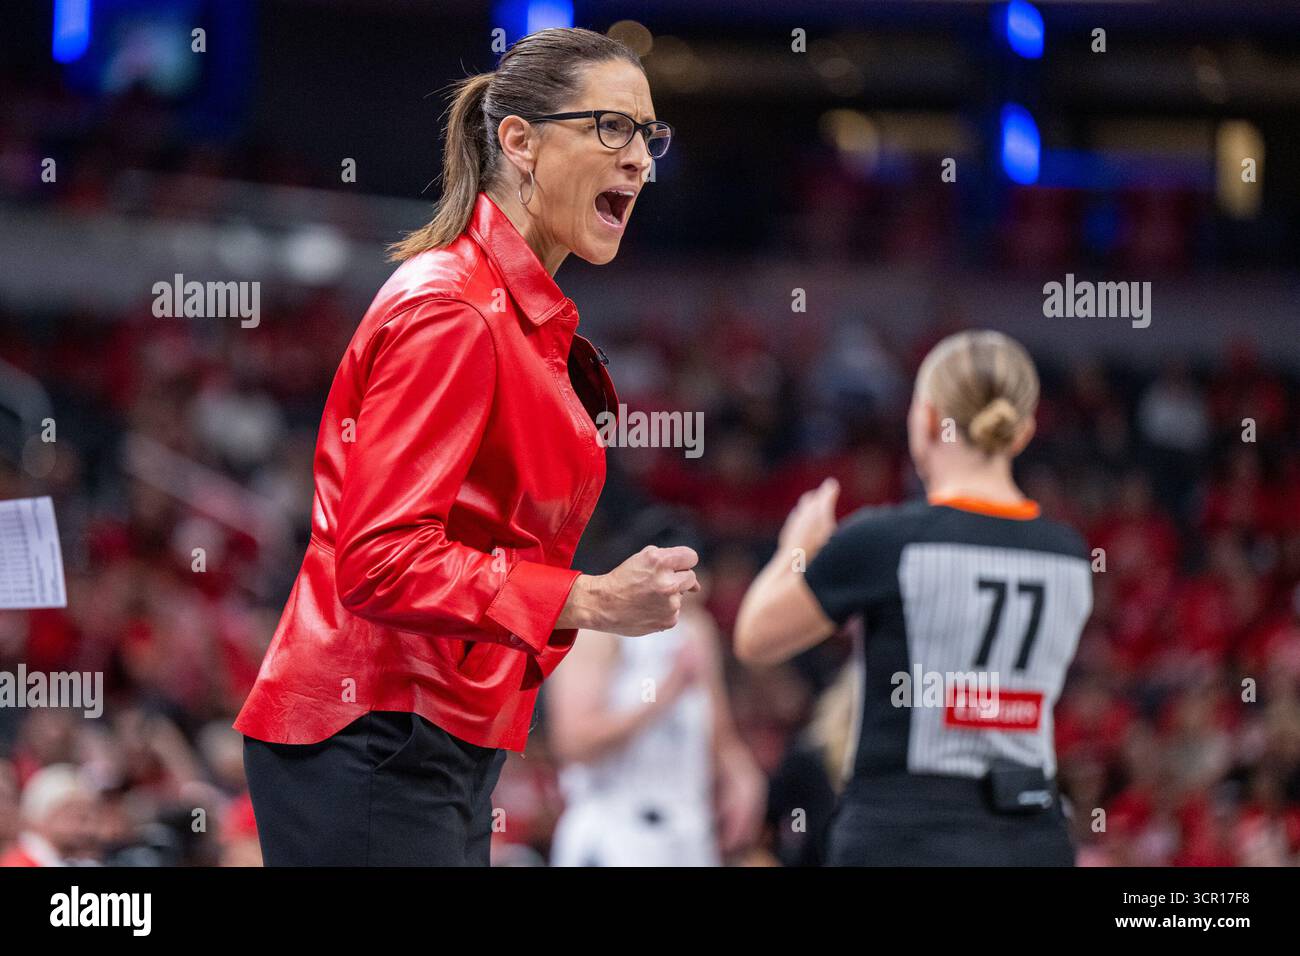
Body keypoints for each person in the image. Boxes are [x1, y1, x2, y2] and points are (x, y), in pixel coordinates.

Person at [235, 28, 697, 866]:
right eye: (613, 128)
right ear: (518, 141)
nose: (642, 161)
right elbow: (379, 559)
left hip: (428, 739)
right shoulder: (453, 309)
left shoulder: (516, 318)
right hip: (372, 732)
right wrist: (584, 600)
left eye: (649, 136)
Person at [735, 330, 1093, 866]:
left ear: (927, 419)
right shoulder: (1069, 555)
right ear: (1021, 434)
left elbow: (754, 638)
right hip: (1031, 836)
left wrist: (796, 548)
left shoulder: (886, 541)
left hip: (902, 836)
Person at [547, 515, 765, 866]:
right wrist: (665, 694)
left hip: (689, 833)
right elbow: (574, 742)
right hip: (618, 831)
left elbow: (720, 735)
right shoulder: (597, 630)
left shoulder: (697, 629)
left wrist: (743, 775)